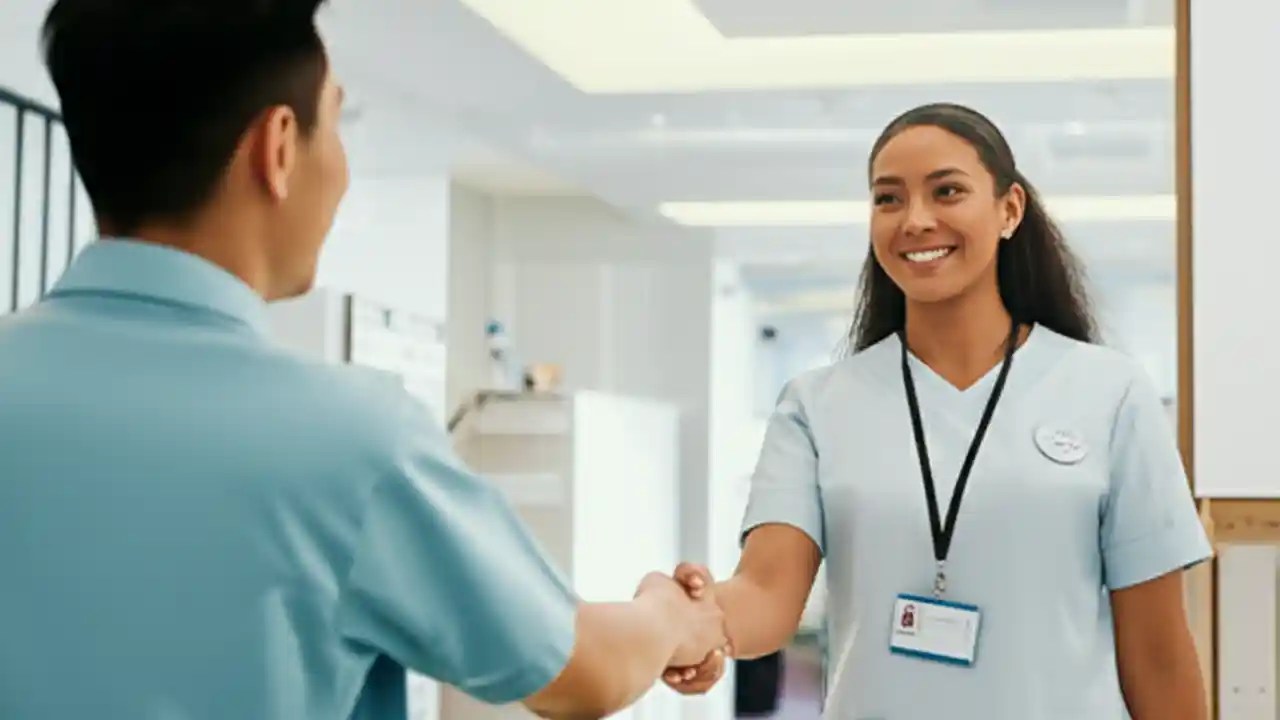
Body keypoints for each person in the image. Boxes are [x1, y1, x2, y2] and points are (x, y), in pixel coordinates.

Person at [0, 2, 726, 718]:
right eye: (337, 122)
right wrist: (669, 615)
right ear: (278, 148)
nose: (342, 169)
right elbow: (582, 671)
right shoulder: (349, 440)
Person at [659, 103, 1211, 719]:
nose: (915, 220)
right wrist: (698, 620)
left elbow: (1158, 653)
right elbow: (766, 593)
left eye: (946, 191)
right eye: (888, 199)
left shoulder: (1110, 393)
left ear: (1009, 210)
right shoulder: (817, 406)